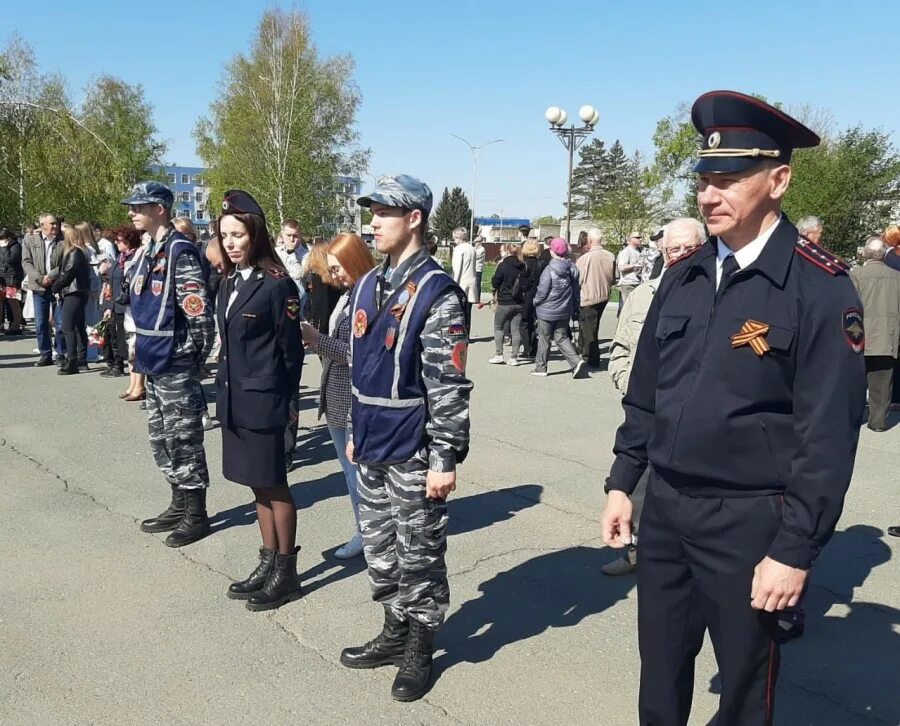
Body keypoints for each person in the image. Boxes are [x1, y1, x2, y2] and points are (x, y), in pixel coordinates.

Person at [600, 90, 867, 725]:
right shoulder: (683, 272)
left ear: (778, 180)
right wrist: (622, 482)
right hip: (664, 509)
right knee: (659, 674)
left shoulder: (819, 287)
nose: (708, 195)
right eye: (704, 180)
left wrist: (795, 547)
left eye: (728, 180)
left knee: (746, 688)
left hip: (749, 520)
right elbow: (647, 391)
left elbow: (828, 436)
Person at [340, 175, 473, 702]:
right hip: (371, 439)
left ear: (414, 218)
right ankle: (394, 629)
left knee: (419, 549)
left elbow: (449, 384)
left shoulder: (438, 292)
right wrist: (354, 428)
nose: (372, 222)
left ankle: (420, 644)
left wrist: (444, 456)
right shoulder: (371, 283)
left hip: (414, 447)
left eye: (383, 213)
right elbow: (361, 365)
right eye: (371, 212)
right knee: (380, 546)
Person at [215, 190, 305, 611]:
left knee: (275, 485)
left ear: (256, 235)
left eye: (238, 235)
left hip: (265, 402)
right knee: (256, 485)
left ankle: (287, 572)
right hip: (235, 400)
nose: (231, 243)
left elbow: (291, 353)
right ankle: (267, 561)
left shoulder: (276, 284)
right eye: (225, 235)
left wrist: (286, 407)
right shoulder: (231, 280)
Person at [604, 218, 704, 577]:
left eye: (688, 248)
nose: (679, 255)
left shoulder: (716, 295)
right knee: (639, 488)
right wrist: (629, 384)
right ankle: (635, 553)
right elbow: (620, 348)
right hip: (647, 414)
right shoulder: (643, 295)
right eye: (672, 249)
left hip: (692, 423)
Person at [122, 181, 216, 548]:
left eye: (139, 206)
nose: (132, 212)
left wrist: (193, 358)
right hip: (152, 359)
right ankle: (177, 502)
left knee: (184, 438)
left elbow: (198, 313)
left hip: (175, 360)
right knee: (161, 436)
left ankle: (196, 512)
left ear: (159, 209)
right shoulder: (149, 250)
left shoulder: (181, 251)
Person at [300, 233, 376, 559]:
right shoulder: (349, 295)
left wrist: (318, 340)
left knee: (358, 473)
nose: (334, 275)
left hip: (351, 399)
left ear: (356, 261)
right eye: (331, 269)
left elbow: (363, 355)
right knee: (351, 473)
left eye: (339, 267)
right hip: (336, 394)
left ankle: (367, 534)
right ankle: (366, 531)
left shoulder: (369, 298)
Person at [849, 237, 900, 432]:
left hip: (859, 336)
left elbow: (849, 307)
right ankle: (878, 422)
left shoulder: (856, 275)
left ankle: (853, 418)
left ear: (865, 253)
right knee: (882, 381)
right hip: (888, 335)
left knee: (855, 381)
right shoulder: (897, 276)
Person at [531, 238, 586, 379]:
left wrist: (535, 302)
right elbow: (576, 290)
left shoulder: (549, 270)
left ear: (551, 251)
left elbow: (542, 292)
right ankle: (576, 361)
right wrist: (575, 307)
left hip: (546, 310)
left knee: (544, 338)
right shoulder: (573, 268)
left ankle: (541, 367)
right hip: (565, 309)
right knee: (561, 337)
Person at [21, 213, 66, 366]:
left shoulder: (63, 240)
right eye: (52, 223)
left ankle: (61, 353)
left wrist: (51, 276)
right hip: (39, 287)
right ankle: (45, 354)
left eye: (56, 223)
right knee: (41, 323)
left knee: (60, 323)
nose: (55, 226)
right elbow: (26, 262)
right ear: (42, 226)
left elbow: (66, 262)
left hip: (57, 286)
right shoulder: (30, 239)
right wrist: (40, 278)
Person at [100, 226, 141, 379]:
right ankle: (119, 367)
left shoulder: (135, 258)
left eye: (119, 240)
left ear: (129, 241)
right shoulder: (120, 257)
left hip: (129, 306)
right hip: (116, 303)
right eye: (116, 240)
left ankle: (133, 377)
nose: (116, 242)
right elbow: (111, 282)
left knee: (129, 341)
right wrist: (108, 305)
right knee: (117, 337)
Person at [575, 227, 616, 368]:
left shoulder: (584, 259)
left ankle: (590, 358)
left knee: (588, 330)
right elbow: (614, 277)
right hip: (604, 295)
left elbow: (577, 281)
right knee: (594, 327)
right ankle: (587, 353)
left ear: (589, 241)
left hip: (588, 297)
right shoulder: (611, 256)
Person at [489, 244, 525, 365]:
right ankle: (514, 357)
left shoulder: (503, 265)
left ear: (508, 252)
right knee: (515, 330)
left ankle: (499, 354)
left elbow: (495, 282)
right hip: (519, 302)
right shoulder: (523, 266)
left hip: (504, 302)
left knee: (498, 327)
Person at [305, 240, 342, 333]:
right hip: (326, 325)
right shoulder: (321, 278)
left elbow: (321, 308)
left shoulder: (319, 278)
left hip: (323, 326)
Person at [450, 226, 479, 333]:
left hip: (461, 284)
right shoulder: (472, 248)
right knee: (468, 312)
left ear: (458, 237)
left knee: (458, 312)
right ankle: (467, 333)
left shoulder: (458, 249)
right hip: (471, 283)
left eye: (455, 238)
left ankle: (458, 333)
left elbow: (457, 270)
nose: (454, 240)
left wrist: (453, 285)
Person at [519, 240, 542, 360]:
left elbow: (523, 283)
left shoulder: (524, 264)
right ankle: (534, 348)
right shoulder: (542, 264)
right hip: (540, 295)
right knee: (534, 322)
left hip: (527, 295)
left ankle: (527, 349)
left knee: (524, 322)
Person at [0, 228, 25, 335]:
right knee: (0, 302)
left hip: (11, 278)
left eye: (3, 238)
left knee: (13, 302)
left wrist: (5, 248)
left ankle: (16, 325)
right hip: (1, 277)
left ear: (8, 238)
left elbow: (11, 259)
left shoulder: (16, 246)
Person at [615, 232, 643, 311]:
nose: (640, 239)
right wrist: (634, 266)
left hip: (637, 284)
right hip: (628, 285)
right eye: (637, 238)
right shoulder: (626, 252)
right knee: (626, 310)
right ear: (630, 239)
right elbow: (621, 267)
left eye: (640, 237)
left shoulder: (639, 251)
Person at [473, 234, 486, 300]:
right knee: (473, 283)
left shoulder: (482, 249)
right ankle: (473, 296)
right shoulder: (474, 248)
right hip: (473, 268)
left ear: (480, 242)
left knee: (477, 283)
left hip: (478, 268)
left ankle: (477, 298)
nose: (475, 243)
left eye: (477, 242)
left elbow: (476, 256)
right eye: (475, 242)